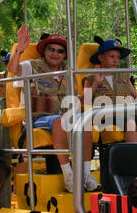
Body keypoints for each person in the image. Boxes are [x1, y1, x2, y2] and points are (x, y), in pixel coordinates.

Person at [53, 38, 137, 191]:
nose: (115, 61)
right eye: (112, 57)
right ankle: (134, 168)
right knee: (130, 123)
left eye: (118, 58)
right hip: (103, 116)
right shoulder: (91, 77)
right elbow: (84, 100)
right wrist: (96, 84)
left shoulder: (123, 75)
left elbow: (135, 94)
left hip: (125, 112)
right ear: (101, 57)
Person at [7, 26, 82, 188]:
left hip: (61, 118)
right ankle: (69, 175)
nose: (55, 53)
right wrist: (19, 50)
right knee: (58, 121)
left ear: (64, 55)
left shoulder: (68, 74)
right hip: (37, 118)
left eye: (60, 51)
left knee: (85, 120)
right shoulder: (31, 66)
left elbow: (73, 101)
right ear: (44, 51)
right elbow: (13, 70)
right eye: (51, 49)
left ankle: (86, 174)